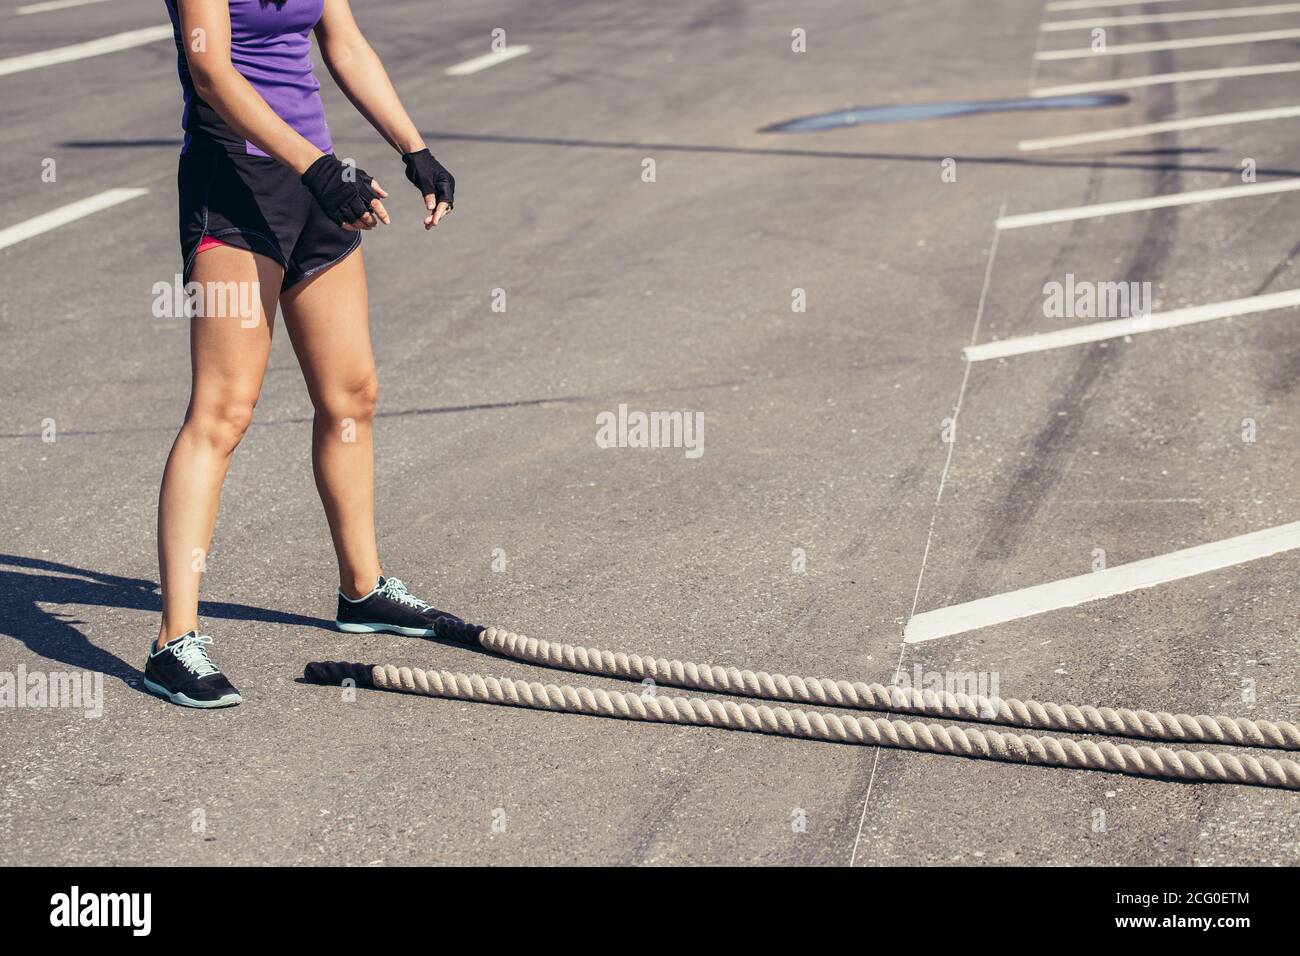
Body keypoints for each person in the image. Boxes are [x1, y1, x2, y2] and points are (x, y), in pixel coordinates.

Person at [145, 0, 457, 708]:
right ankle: (173, 641)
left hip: (315, 179)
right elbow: (211, 68)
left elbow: (343, 42)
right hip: (236, 186)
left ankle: (363, 589)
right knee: (222, 411)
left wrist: (414, 148)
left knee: (351, 396)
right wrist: (318, 167)